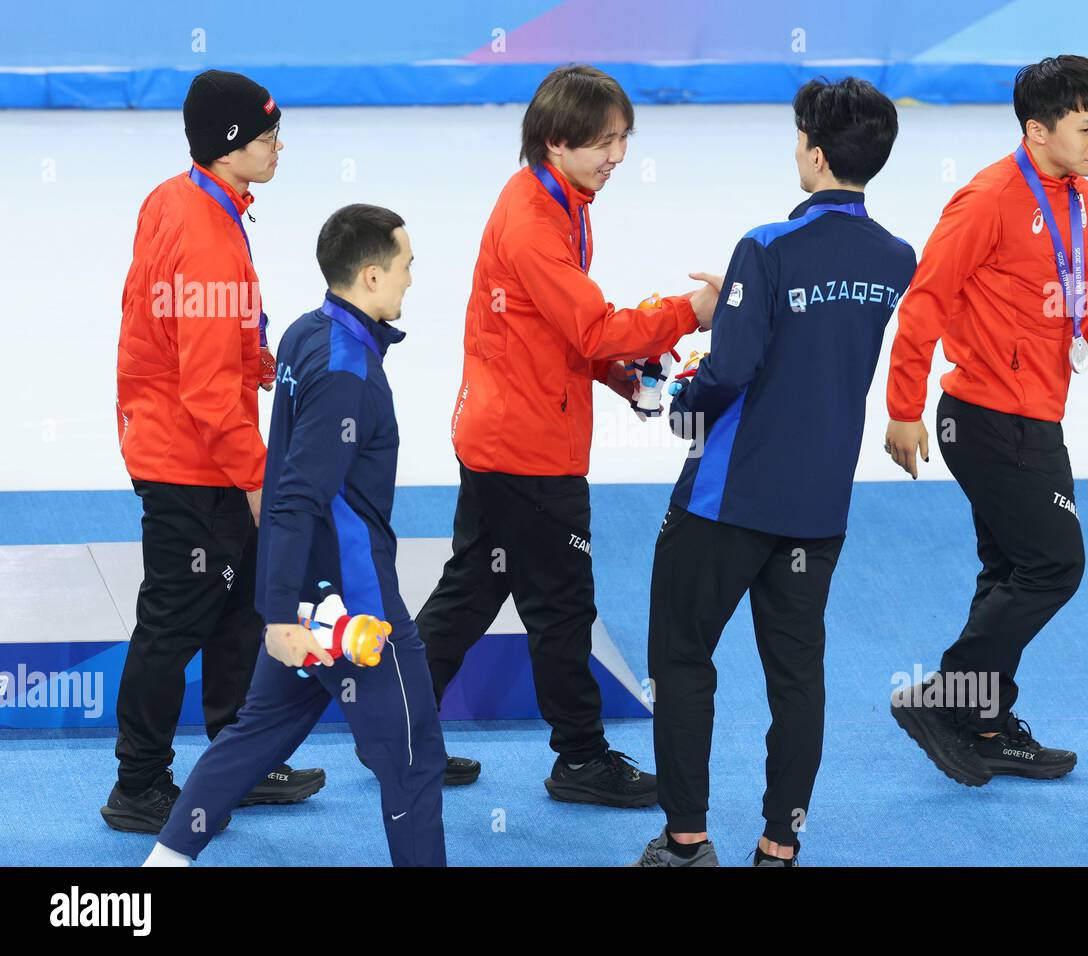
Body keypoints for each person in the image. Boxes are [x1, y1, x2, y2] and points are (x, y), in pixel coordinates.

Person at [414, 64, 719, 806]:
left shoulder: (558, 200)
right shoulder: (535, 222)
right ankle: (580, 758)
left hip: (501, 431)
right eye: (605, 143)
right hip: (528, 451)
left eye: (623, 139)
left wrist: (621, 377)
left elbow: (561, 332)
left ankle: (397, 733)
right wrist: (691, 310)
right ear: (558, 141)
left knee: (473, 589)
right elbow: (591, 323)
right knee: (561, 604)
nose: (618, 156)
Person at [632, 77, 917, 867]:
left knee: (683, 657)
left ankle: (686, 841)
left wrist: (673, 403)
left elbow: (732, 369)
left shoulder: (765, 245)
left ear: (816, 154)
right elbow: (818, 331)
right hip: (818, 504)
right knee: (797, 677)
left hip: (729, 496)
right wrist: (745, 304)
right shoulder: (896, 257)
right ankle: (779, 845)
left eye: (799, 140)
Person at [140, 204, 448, 867]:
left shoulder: (310, 334)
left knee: (252, 738)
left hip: (311, 599)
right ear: (370, 276)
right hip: (356, 607)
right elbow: (297, 496)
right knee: (415, 758)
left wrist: (288, 604)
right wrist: (278, 616)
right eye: (406, 266)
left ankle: (159, 869)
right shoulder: (347, 371)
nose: (411, 279)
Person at [883, 55, 1088, 787]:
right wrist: (902, 409)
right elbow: (924, 302)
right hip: (987, 417)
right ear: (1037, 129)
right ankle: (944, 695)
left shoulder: (1078, 195)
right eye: (1087, 127)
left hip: (1036, 413)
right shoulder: (988, 198)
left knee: (1008, 570)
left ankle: (986, 723)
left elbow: (1076, 287)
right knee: (1055, 565)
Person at [105, 69, 323, 833]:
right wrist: (259, 480)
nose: (279, 146)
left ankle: (238, 759)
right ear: (229, 146)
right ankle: (139, 784)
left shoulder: (183, 198)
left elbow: (177, 326)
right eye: (268, 136)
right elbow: (201, 389)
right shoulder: (206, 236)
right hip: (187, 457)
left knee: (235, 608)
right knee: (175, 621)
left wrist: (255, 360)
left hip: (181, 439)